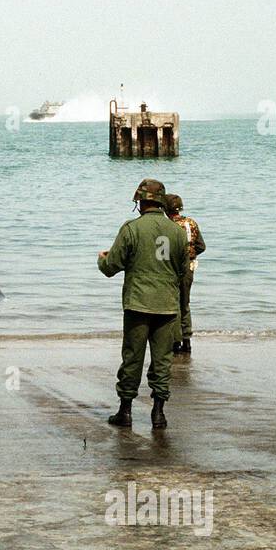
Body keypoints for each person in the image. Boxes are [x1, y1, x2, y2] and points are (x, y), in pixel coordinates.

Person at [98, 179, 188, 429]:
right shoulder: (178, 232)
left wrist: (102, 260)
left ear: (140, 202)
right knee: (162, 361)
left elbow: (111, 267)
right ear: (161, 202)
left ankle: (125, 412)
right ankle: (158, 414)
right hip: (168, 307)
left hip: (138, 305)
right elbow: (182, 270)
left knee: (132, 358)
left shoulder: (131, 229)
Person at [165, 194, 206, 354]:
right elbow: (201, 246)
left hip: (171, 268)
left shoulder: (167, 226)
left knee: (173, 305)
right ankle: (187, 341)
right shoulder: (191, 223)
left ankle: (176, 341)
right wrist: (190, 254)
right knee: (185, 304)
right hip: (188, 267)